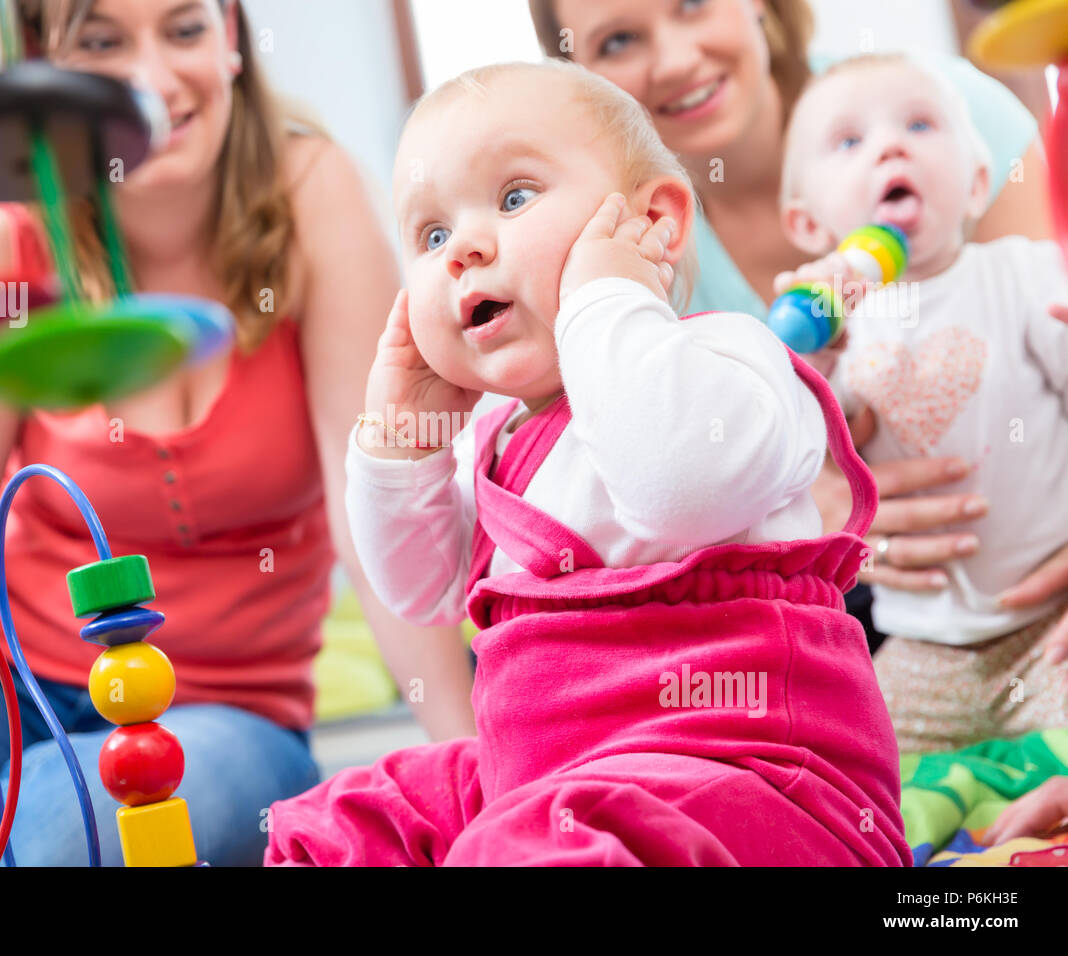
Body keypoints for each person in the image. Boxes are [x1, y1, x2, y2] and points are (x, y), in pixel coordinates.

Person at [0, 0, 475, 866]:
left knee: (46, 848)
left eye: (183, 29)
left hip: (221, 711)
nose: (150, 77)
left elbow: (368, 515)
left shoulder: (312, 198)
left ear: (231, 43)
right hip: (4, 677)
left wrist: (477, 763)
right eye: (102, 42)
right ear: (40, 65)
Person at [264, 60, 910, 866]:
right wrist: (405, 439)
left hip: (755, 779)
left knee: (536, 839)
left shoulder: (728, 358)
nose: (463, 246)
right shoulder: (497, 442)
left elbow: (673, 487)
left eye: (514, 198)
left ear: (655, 224)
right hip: (535, 776)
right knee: (353, 818)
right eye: (431, 236)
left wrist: (608, 298)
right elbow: (417, 587)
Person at [526, 0, 1068, 661]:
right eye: (616, 42)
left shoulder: (942, 112)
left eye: (691, 4)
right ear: (575, 70)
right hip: (822, 593)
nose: (674, 60)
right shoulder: (613, 245)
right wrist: (798, 511)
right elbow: (646, 498)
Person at [776, 53, 1068, 752]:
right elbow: (805, 452)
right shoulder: (830, 327)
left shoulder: (1021, 275)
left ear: (974, 185)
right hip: (921, 642)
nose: (890, 145)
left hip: (1048, 627)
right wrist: (808, 358)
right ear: (808, 226)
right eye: (850, 142)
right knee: (852, 768)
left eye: (920, 123)